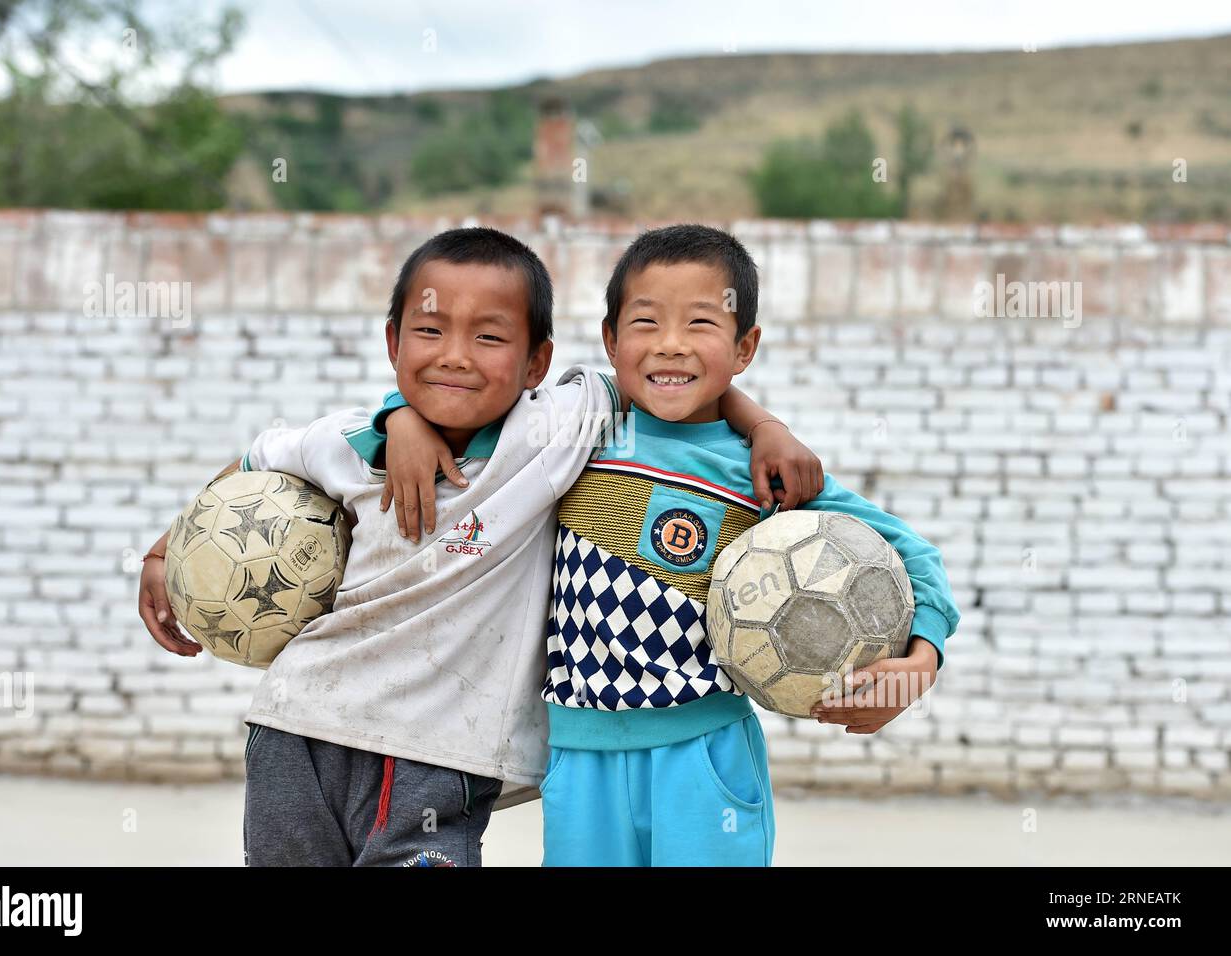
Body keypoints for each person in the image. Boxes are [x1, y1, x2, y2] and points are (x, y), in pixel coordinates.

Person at [137, 225, 823, 866]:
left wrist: (767, 427)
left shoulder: (556, 430)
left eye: (489, 337)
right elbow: (259, 458)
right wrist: (167, 552)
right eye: (429, 331)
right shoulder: (346, 443)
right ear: (392, 344)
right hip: (295, 725)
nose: (455, 356)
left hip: (435, 753)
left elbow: (673, 380)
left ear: (537, 362)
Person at [382, 224, 962, 866]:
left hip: (703, 753)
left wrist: (921, 663)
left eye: (700, 325)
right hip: (577, 762)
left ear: (745, 348)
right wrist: (399, 418)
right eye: (646, 323)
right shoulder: (577, 436)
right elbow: (462, 394)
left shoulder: (763, 472)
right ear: (609, 340)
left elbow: (912, 554)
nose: (671, 347)